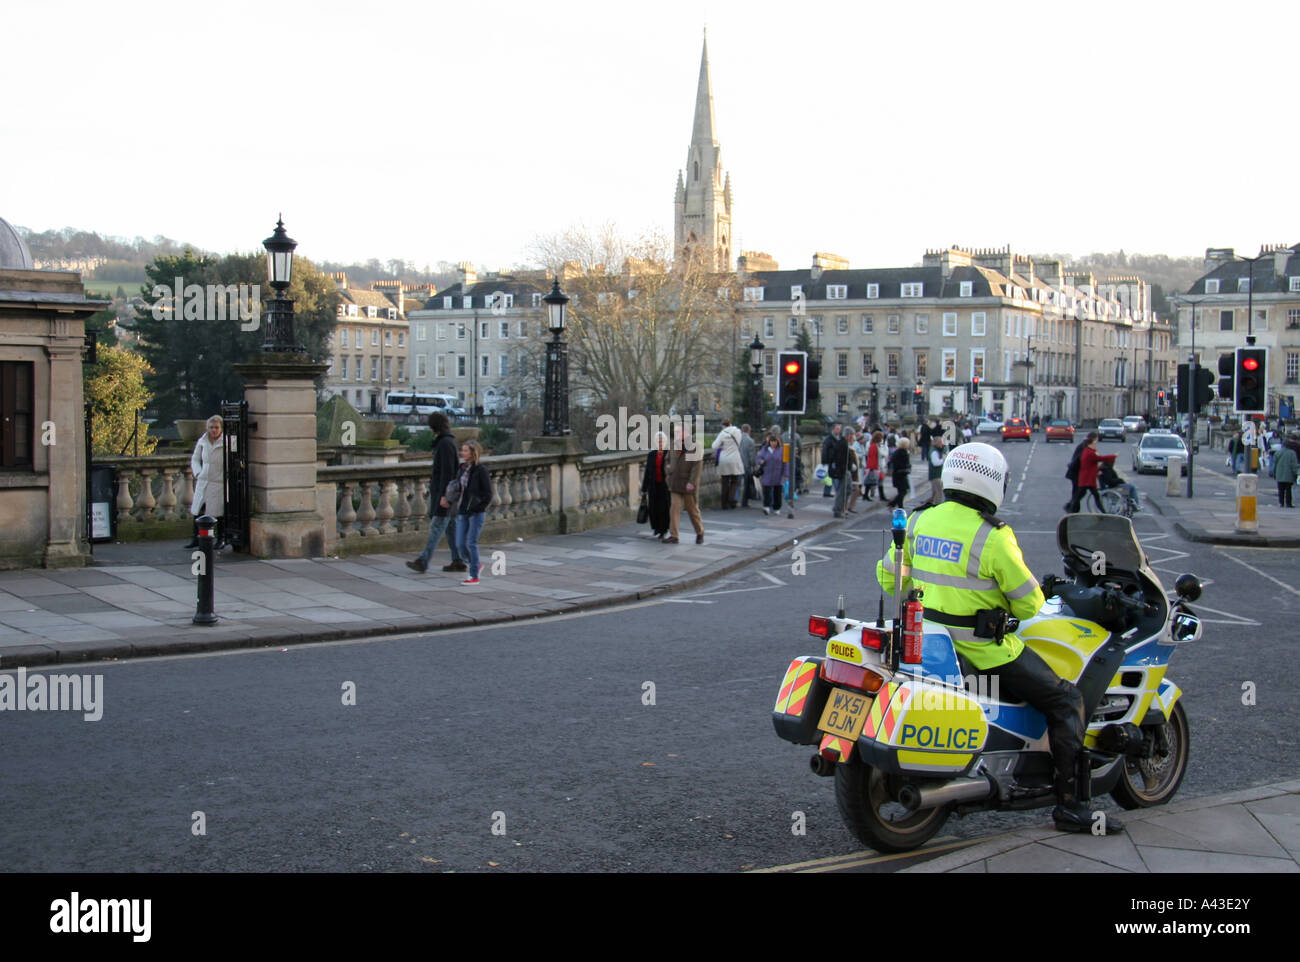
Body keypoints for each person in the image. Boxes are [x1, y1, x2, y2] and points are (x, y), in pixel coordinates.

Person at [876, 441, 1120, 835]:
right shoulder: (993, 537)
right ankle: (1074, 807)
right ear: (992, 484)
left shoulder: (921, 521)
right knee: (1066, 699)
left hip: (927, 645)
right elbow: (1029, 606)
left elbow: (888, 578)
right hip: (983, 651)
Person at [407, 411, 465, 573]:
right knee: (451, 528)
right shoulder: (448, 442)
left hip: (445, 495)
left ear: (434, 427)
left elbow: (447, 473)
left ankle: (423, 560)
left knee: (437, 527)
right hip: (448, 494)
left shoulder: (445, 443)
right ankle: (458, 560)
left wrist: (445, 497)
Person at [453, 440, 493, 585]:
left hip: (476, 512)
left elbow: (488, 493)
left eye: (465, 451)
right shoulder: (462, 468)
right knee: (459, 544)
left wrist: (479, 507)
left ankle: (474, 575)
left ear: (473, 453)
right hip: (463, 509)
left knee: (471, 543)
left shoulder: (481, 470)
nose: (462, 453)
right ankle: (475, 564)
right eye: (462, 450)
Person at [187, 415, 225, 549]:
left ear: (221, 428)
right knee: (198, 509)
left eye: (216, 427)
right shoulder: (202, 441)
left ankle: (221, 539)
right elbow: (195, 458)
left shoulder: (225, 442)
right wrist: (198, 472)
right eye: (211, 427)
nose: (213, 430)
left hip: (218, 481)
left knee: (218, 512)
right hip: (204, 479)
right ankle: (195, 538)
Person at [666, 424, 705, 544]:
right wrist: (667, 469)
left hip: (688, 484)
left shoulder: (695, 446)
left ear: (685, 433)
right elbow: (667, 459)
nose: (676, 434)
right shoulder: (673, 445)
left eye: (678, 432)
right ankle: (674, 535)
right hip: (675, 482)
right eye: (675, 432)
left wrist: (692, 482)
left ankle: (700, 532)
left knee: (692, 510)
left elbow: (697, 467)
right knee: (674, 509)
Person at [1068, 432, 1115, 513]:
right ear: (1092, 440)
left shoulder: (1087, 449)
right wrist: (1113, 456)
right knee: (1078, 496)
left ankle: (1072, 510)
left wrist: (1096, 471)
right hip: (1081, 477)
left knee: (1080, 495)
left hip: (1085, 478)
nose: (1096, 443)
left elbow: (1091, 464)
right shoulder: (1087, 450)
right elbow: (1097, 459)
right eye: (1096, 440)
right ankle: (1071, 510)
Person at [640, 431, 672, 539]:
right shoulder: (651, 455)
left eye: (662, 441)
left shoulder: (669, 454)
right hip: (653, 486)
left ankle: (664, 529)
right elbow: (647, 472)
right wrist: (644, 487)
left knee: (664, 508)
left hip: (665, 486)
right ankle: (656, 528)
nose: (660, 443)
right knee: (653, 508)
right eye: (658, 441)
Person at [711, 418, 744, 510]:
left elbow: (714, 446)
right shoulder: (738, 432)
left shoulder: (722, 434)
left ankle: (724, 504)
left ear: (723, 425)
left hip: (724, 459)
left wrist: (722, 445)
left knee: (725, 482)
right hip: (735, 458)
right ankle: (731, 498)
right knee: (735, 481)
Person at [756, 433, 789, 515]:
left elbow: (786, 463)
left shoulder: (782, 450)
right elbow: (759, 457)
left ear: (778, 442)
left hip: (778, 473)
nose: (773, 443)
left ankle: (777, 508)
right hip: (767, 472)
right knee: (766, 491)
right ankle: (766, 507)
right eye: (771, 441)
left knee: (777, 492)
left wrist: (786, 474)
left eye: (775, 442)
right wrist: (761, 461)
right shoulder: (765, 449)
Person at [913, 432, 946, 508]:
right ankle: (937, 507)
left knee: (935, 493)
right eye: (941, 442)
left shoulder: (937, 450)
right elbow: (936, 463)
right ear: (937, 443)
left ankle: (926, 504)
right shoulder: (934, 451)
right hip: (935, 475)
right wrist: (944, 459)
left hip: (936, 475)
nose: (942, 444)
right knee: (938, 494)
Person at [828, 424, 850, 517]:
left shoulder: (843, 442)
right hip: (842, 470)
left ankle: (841, 508)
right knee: (842, 490)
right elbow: (840, 458)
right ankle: (837, 509)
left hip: (845, 469)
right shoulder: (842, 443)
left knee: (847, 489)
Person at [887, 436, 911, 509]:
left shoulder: (899, 452)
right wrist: (907, 467)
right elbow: (901, 463)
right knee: (903, 491)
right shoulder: (902, 452)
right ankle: (894, 504)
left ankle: (897, 505)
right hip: (900, 475)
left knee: (902, 491)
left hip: (899, 474)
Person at [847, 429, 868, 513]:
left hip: (858, 469)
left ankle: (850, 507)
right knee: (854, 490)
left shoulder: (860, 445)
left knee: (855, 489)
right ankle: (848, 507)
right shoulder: (853, 446)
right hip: (853, 471)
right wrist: (861, 455)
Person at [1273, 440, 1298, 508]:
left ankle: (1281, 502)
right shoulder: (1292, 453)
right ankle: (1288, 503)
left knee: (1280, 490)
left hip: (1279, 473)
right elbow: (1294, 465)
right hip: (1289, 474)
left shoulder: (1278, 452)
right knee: (1288, 489)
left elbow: (1274, 464)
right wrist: (1296, 473)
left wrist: (1274, 473)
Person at [738, 423, 757, 508]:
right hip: (746, 465)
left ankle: (734, 500)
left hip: (737, 463)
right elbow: (752, 456)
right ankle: (744, 502)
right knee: (746, 485)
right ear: (749, 430)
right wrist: (753, 465)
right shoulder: (750, 441)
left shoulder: (737, 439)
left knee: (736, 484)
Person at [821, 423, 843, 498]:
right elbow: (824, 450)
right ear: (833, 429)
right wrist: (824, 461)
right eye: (837, 429)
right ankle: (838, 492)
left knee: (829, 477)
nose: (839, 430)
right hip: (831, 460)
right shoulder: (829, 439)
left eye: (839, 429)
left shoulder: (839, 438)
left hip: (837, 460)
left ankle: (827, 492)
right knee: (834, 477)